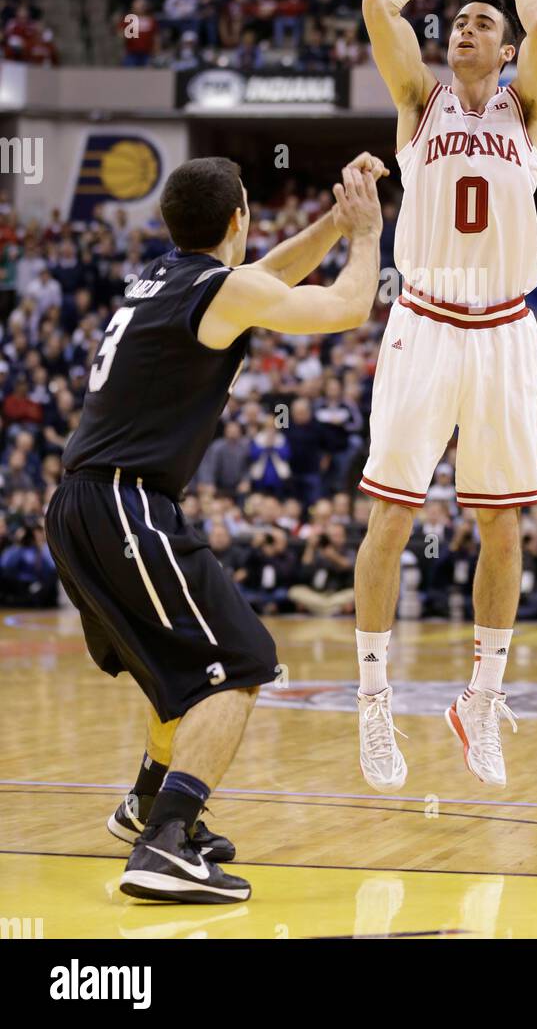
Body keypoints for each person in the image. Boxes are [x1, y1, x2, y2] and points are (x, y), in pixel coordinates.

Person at [45, 152, 386, 904]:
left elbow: (262, 274)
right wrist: (365, 236)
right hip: (126, 503)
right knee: (239, 663)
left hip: (80, 506)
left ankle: (147, 804)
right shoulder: (220, 289)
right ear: (240, 217)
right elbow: (345, 309)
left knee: (175, 673)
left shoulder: (167, 279)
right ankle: (167, 840)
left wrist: (331, 219)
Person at [356, 0, 537, 790]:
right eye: (459, 22)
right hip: (425, 321)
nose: (465, 29)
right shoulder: (417, 100)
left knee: (503, 525)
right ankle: (372, 704)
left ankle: (480, 700)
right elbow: (377, 2)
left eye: (482, 22)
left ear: (505, 49)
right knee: (393, 515)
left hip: (507, 330)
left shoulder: (527, 111)